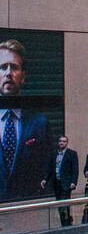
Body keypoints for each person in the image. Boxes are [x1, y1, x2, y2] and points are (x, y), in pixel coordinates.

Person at [0, 38, 53, 201]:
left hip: (28, 210)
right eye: (3, 67)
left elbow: (48, 170)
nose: (8, 73)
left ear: (23, 76)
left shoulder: (39, 124)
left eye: (14, 67)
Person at [42, 135, 78, 228]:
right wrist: (45, 179)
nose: (62, 143)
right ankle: (64, 221)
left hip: (66, 183)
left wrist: (73, 182)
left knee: (64, 203)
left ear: (67, 143)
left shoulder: (72, 154)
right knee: (59, 202)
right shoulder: (54, 153)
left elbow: (75, 169)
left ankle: (66, 222)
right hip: (56, 182)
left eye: (64, 141)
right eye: (60, 141)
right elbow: (50, 168)